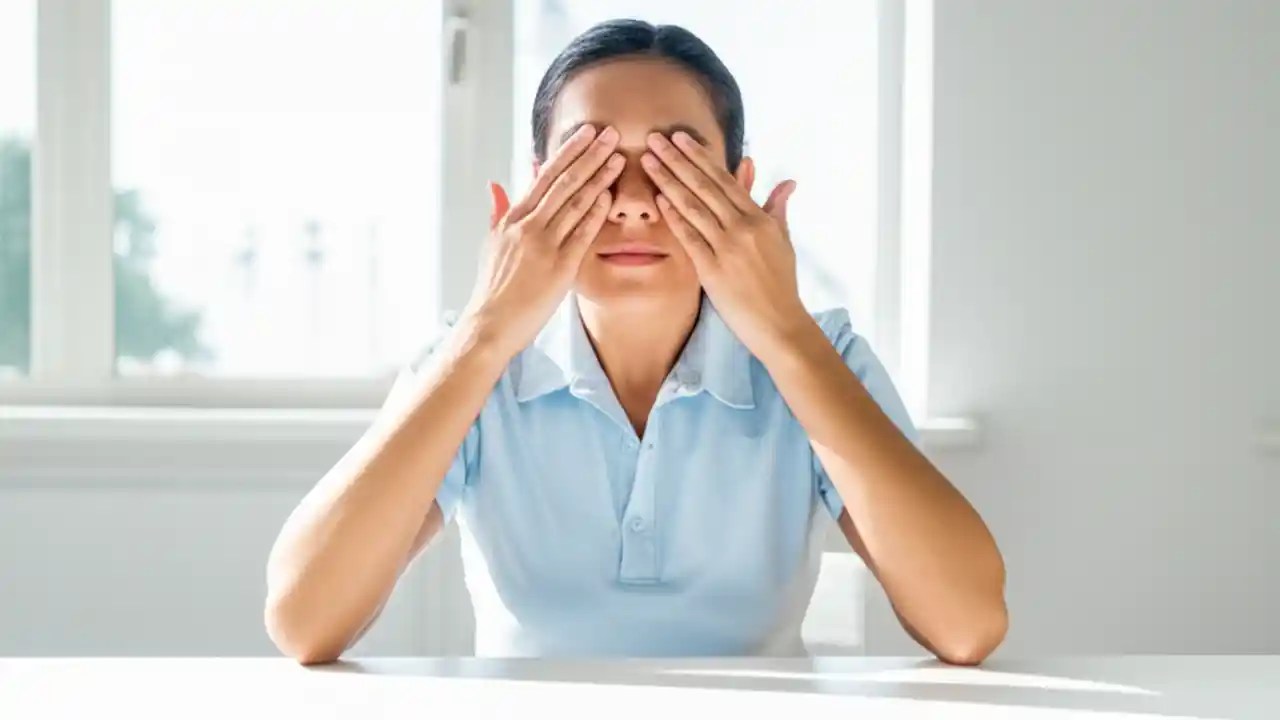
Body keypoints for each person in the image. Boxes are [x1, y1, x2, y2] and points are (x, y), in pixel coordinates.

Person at [265, 19, 1007, 664]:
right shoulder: (471, 362)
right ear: (534, 192)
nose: (629, 202)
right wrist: (487, 332)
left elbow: (968, 625)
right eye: (590, 163)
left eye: (673, 163)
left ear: (739, 187)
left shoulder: (821, 356)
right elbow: (304, 622)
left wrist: (783, 331)